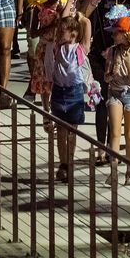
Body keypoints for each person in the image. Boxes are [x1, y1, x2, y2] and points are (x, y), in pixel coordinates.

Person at [45, 14, 94, 182]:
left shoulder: (81, 49)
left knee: (72, 132)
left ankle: (70, 162)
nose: (59, 33)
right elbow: (60, 20)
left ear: (73, 33)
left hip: (74, 93)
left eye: (63, 31)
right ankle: (63, 164)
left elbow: (86, 24)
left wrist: (80, 17)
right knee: (61, 132)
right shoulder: (56, 47)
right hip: (59, 92)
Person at [103, 16, 130, 165]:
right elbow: (106, 77)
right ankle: (114, 167)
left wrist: (128, 63)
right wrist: (111, 73)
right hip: (115, 92)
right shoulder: (112, 51)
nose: (113, 36)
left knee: (129, 135)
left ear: (125, 34)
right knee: (115, 133)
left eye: (116, 33)